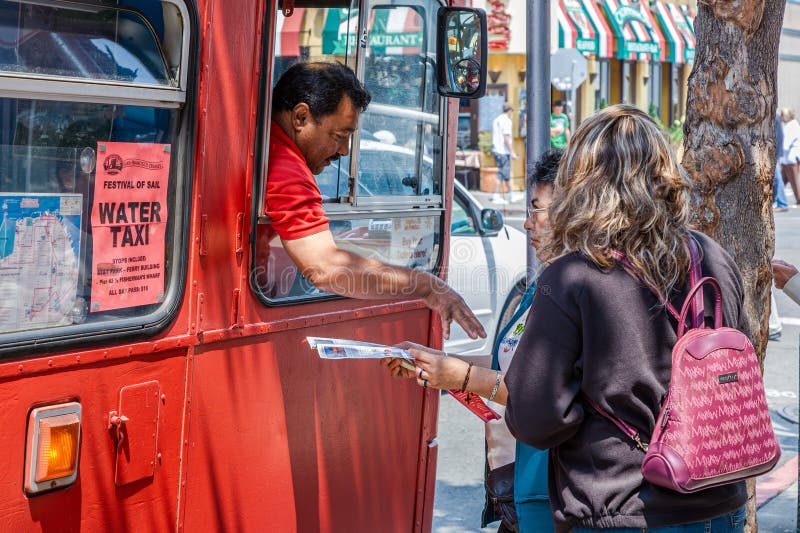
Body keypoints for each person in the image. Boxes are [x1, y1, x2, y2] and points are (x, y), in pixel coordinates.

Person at [502, 104, 748, 532]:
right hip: (717, 502)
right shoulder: (711, 257)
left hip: (619, 507)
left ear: (583, 185)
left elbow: (535, 416)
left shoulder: (572, 276)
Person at [383, 150, 563, 533]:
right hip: (521, 484)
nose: (528, 224)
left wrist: (462, 377)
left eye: (538, 210)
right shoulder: (542, 286)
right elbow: (513, 366)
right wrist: (435, 361)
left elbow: (539, 396)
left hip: (553, 494)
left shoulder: (576, 294)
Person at [265, 61, 485, 340]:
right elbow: (326, 267)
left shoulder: (268, 146)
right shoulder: (286, 168)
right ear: (300, 117)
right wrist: (426, 285)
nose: (344, 151)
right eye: (339, 136)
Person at [490, 102, 519, 204]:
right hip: (503, 151)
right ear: (510, 111)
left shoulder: (497, 119)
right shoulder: (506, 121)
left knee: (503, 173)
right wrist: (512, 152)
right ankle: (497, 196)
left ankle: (511, 195)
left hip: (497, 150)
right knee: (502, 174)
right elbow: (506, 138)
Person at [780, 108, 800, 204]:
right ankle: (775, 199)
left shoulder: (792, 125)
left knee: (793, 182)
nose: (781, 117)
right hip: (786, 160)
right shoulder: (788, 125)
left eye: (782, 115)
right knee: (781, 181)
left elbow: (786, 144)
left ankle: (799, 199)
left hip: (791, 159)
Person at [774, 110, 788, 212]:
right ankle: (779, 201)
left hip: (774, 153)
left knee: (777, 178)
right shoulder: (775, 117)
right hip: (775, 153)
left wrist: (776, 154)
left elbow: (778, 137)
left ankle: (782, 203)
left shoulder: (775, 117)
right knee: (776, 178)